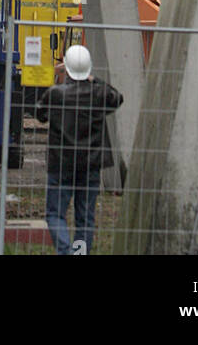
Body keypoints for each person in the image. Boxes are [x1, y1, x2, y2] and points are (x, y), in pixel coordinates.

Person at [37, 43, 123, 255]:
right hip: (90, 163)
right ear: (89, 68)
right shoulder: (98, 95)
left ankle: (65, 251)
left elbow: (40, 115)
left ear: (65, 67)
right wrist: (96, 80)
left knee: (55, 214)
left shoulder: (55, 94)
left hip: (61, 164)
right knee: (85, 217)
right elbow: (117, 97)